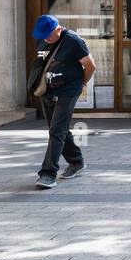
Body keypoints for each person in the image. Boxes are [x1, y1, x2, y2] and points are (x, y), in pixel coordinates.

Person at [30, 15, 96, 190]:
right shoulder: (41, 41)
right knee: (58, 129)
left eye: (49, 35)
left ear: (58, 29)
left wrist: (81, 83)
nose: (45, 38)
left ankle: (47, 174)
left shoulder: (73, 41)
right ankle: (76, 161)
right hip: (48, 90)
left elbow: (90, 65)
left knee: (56, 130)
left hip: (68, 90)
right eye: (42, 35)